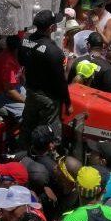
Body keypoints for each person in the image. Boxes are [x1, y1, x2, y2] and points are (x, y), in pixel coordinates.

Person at [17, 10, 70, 150]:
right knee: (51, 131)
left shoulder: (25, 41)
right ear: (51, 28)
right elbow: (61, 82)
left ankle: (22, 152)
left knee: (28, 125)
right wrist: (68, 102)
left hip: (31, 93)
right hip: (48, 98)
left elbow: (21, 61)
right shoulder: (54, 52)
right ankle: (50, 156)